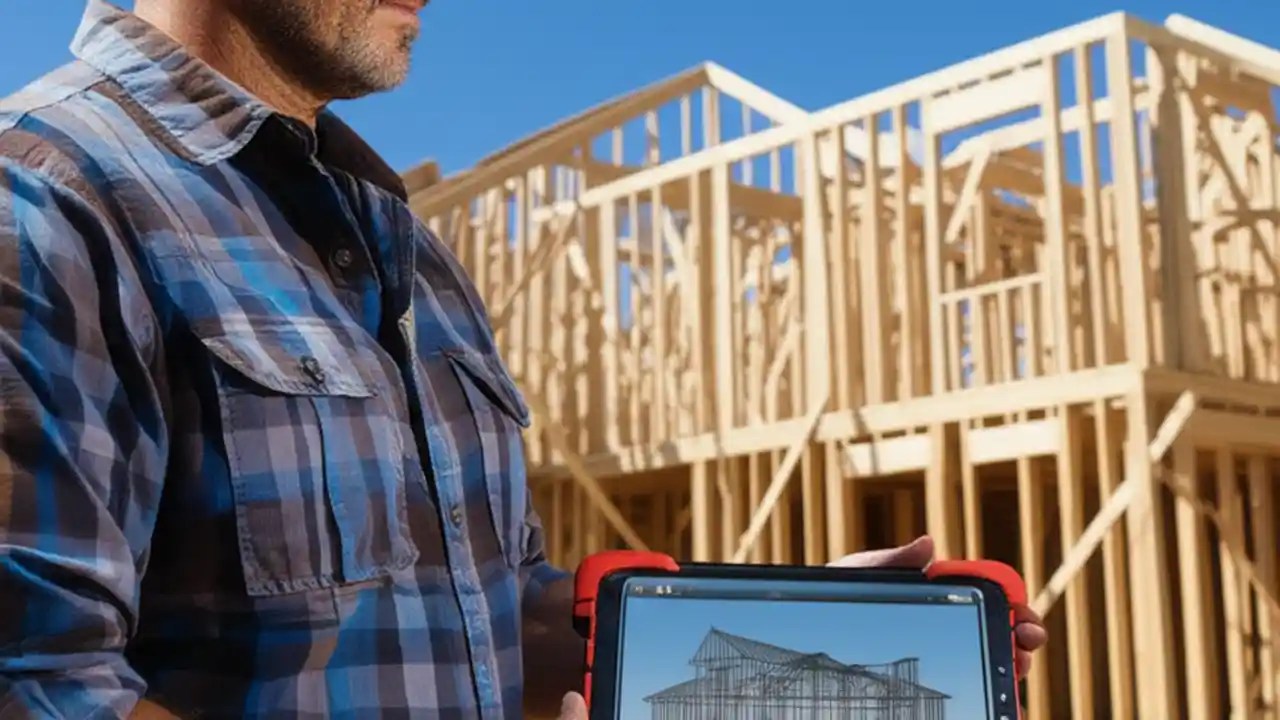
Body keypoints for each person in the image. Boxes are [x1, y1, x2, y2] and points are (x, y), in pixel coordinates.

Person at [0, 1, 1047, 717]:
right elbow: (38, 685)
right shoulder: (46, 199)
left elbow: (482, 608)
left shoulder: (400, 243)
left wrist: (788, 620)